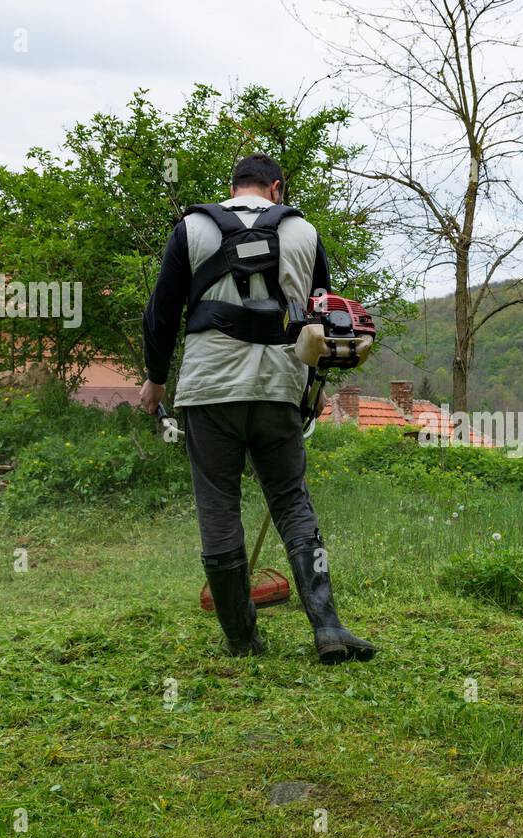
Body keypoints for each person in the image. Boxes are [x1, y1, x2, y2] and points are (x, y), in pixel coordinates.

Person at [138, 154, 377, 665]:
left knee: (218, 507)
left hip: (209, 390)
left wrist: (155, 381)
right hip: (278, 386)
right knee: (292, 504)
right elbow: (324, 315)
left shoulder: (192, 228)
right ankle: (329, 627)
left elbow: (160, 313)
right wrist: (312, 388)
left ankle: (243, 640)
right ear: (275, 189)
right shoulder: (304, 232)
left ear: (233, 187)